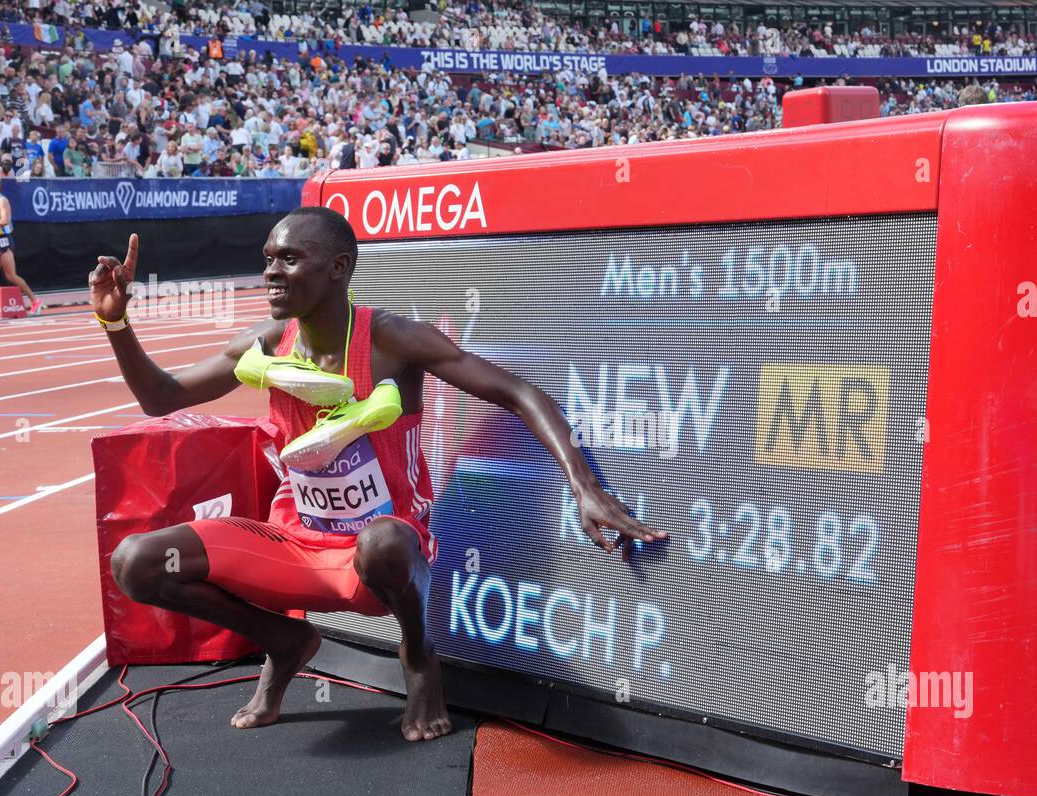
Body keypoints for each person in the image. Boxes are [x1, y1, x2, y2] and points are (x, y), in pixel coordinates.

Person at [97, 209, 666, 740]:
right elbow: (160, 397)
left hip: (382, 556)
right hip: (293, 544)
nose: (271, 271)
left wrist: (583, 485)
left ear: (339, 268)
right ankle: (285, 640)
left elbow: (518, 392)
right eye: (268, 257)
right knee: (136, 561)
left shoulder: (391, 340)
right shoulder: (268, 344)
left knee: (383, 539)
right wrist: (117, 321)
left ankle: (418, 656)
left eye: (289, 259)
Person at [0, 175, 43, 314]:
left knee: (10, 276)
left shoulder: (2, 201)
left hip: (4, 239)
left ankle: (35, 301)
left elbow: (5, 220)